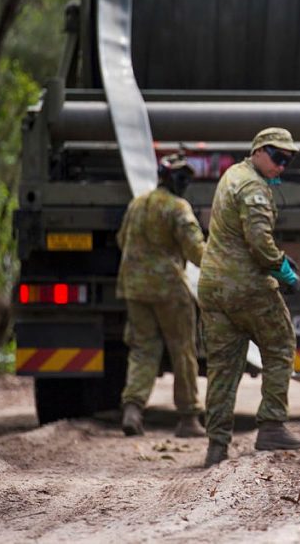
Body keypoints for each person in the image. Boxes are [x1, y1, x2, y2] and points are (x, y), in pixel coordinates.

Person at [198, 127, 300, 468]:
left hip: (213, 286)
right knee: (280, 346)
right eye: (277, 157)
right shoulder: (253, 187)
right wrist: (282, 269)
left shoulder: (233, 175)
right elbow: (259, 242)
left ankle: (216, 445)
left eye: (287, 160)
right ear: (259, 150)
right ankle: (272, 426)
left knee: (222, 366)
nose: (281, 165)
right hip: (246, 287)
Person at [117, 153, 206, 438]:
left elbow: (122, 240)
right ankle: (189, 418)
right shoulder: (178, 207)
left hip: (134, 287)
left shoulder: (137, 203)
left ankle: (133, 408)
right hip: (169, 290)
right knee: (182, 349)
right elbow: (196, 251)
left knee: (143, 349)